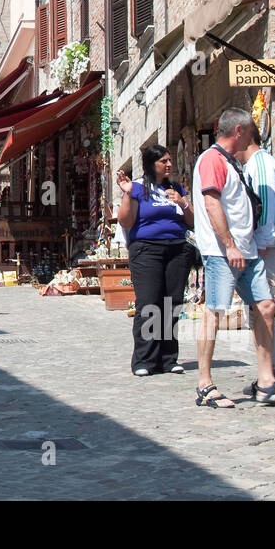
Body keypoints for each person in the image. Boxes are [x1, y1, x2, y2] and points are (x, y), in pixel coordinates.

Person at [191, 107, 275, 407]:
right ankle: (205, 383)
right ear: (239, 131)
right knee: (214, 311)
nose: (252, 139)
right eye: (250, 132)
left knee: (266, 307)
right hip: (222, 253)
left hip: (248, 252)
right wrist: (229, 244)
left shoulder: (233, 162)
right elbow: (211, 201)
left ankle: (267, 381)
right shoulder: (212, 159)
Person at [115, 145, 194, 377]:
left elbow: (191, 221)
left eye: (169, 160)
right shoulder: (139, 187)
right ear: (152, 164)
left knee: (171, 303)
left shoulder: (176, 188)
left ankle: (168, 359)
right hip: (146, 250)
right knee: (149, 302)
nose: (169, 164)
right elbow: (125, 221)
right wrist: (128, 193)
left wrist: (182, 202)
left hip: (177, 249)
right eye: (164, 161)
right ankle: (145, 359)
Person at [240, 124, 275, 385]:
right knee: (261, 311)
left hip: (271, 247)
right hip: (271, 246)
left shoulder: (260, 164)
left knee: (262, 310)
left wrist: (261, 246)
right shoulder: (257, 164)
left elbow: (266, 205)